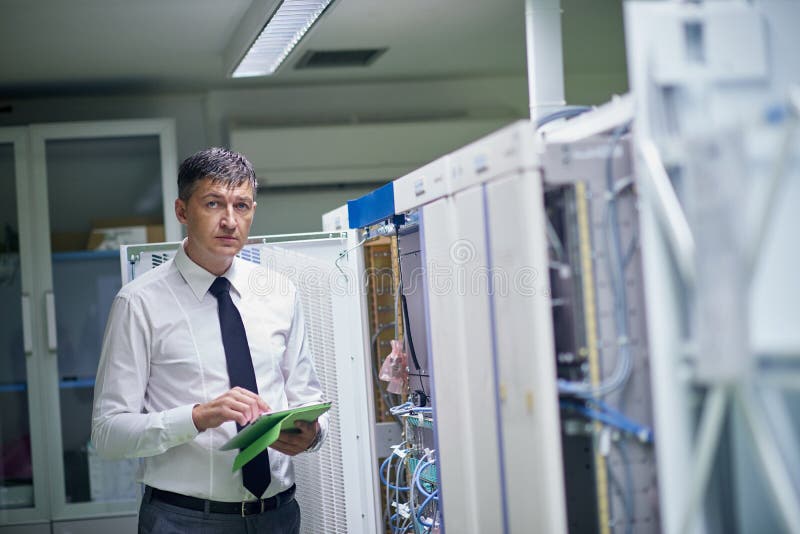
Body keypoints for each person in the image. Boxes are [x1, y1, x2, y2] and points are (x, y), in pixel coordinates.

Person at [91, 147, 327, 534]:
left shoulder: (280, 293)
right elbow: (108, 435)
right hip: (183, 520)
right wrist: (198, 417)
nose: (230, 221)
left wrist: (312, 434)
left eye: (242, 206)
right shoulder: (138, 303)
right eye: (213, 203)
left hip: (278, 516)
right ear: (182, 211)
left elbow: (307, 398)